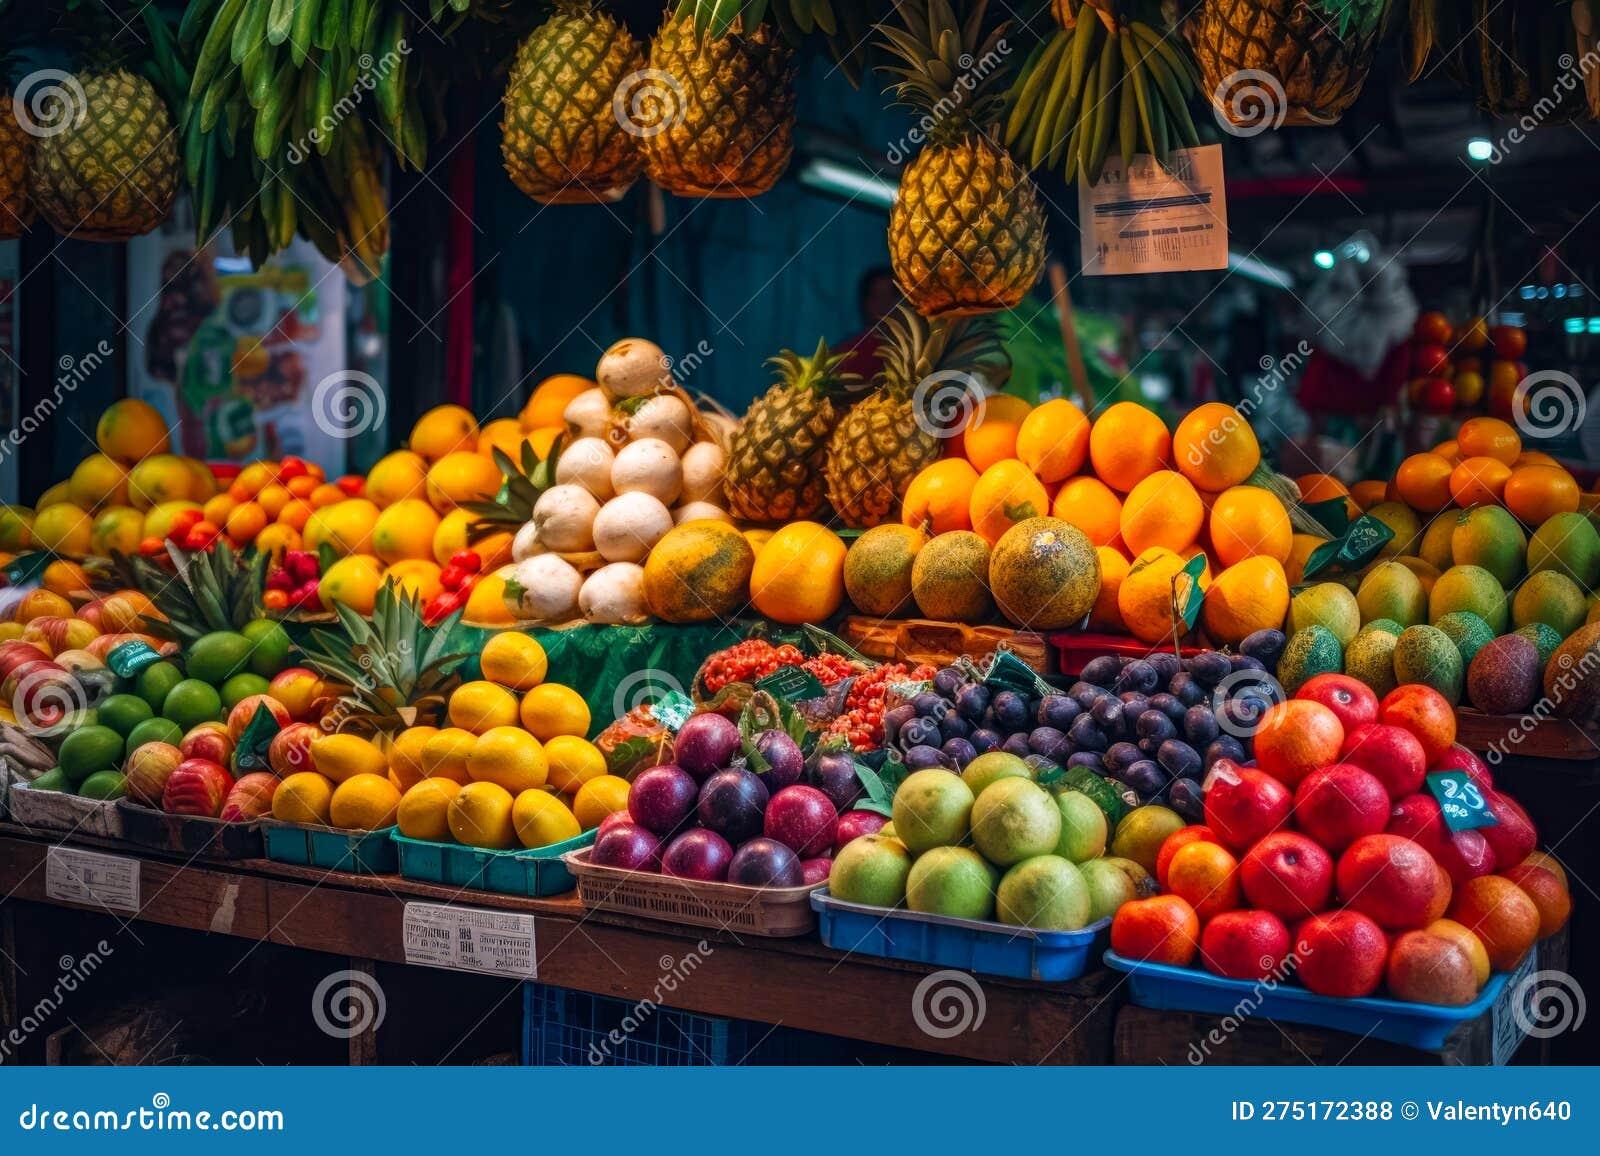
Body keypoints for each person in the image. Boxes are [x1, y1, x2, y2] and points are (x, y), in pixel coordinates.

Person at [835, 267, 902, 379]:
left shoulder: (913, 353)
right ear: (864, 302)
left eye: (891, 298)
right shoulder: (844, 353)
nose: (884, 305)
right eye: (878, 297)